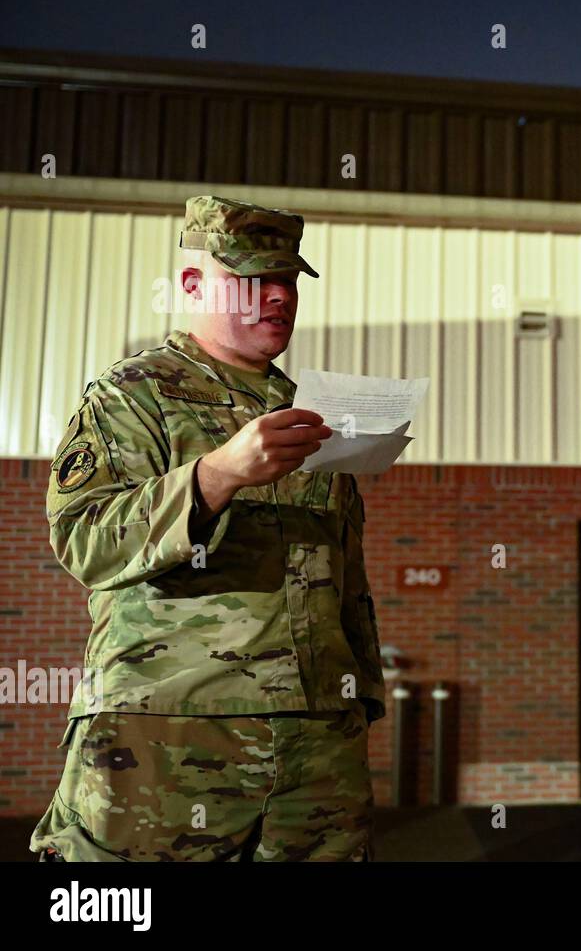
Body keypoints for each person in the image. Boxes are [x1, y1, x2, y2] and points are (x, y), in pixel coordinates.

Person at [31, 195, 385, 861]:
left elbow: (344, 575)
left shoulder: (309, 411)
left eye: (285, 280)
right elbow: (84, 540)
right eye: (252, 279)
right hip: (171, 731)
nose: (276, 296)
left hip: (315, 740)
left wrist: (358, 696)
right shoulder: (134, 394)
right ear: (192, 284)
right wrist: (215, 476)